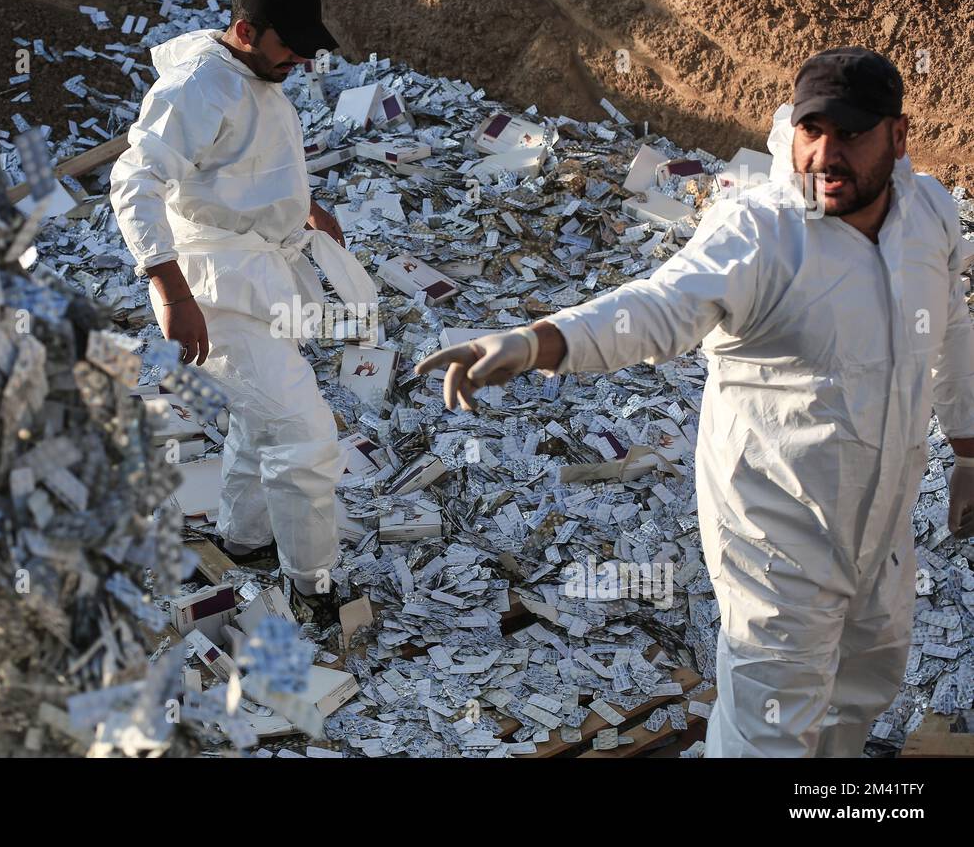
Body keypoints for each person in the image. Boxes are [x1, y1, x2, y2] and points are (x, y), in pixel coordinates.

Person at [416, 47, 974, 757]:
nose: (826, 155)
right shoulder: (764, 234)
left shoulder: (927, 212)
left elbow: (951, 321)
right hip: (779, 538)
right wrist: (538, 341)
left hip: (882, 525)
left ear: (899, 137)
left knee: (862, 686)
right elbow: (658, 308)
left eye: (853, 135)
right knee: (768, 727)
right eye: (813, 131)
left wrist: (967, 447)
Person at [110, 0, 372, 623]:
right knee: (304, 433)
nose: (301, 61)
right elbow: (133, 180)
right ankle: (312, 588)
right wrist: (169, 290)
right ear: (245, 30)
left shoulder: (254, 70)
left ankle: (245, 539)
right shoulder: (200, 86)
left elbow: (249, 165)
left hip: (260, 277)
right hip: (214, 291)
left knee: (263, 423)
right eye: (291, 46)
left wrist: (303, 210)